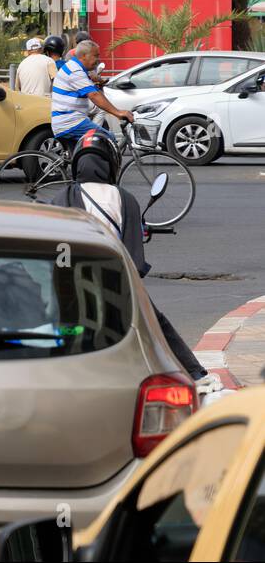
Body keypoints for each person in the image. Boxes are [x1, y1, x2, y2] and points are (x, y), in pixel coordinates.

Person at [50, 130, 221, 396]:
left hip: (68, 282)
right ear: (110, 164)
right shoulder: (124, 198)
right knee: (155, 323)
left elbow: (53, 244)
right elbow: (134, 256)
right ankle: (196, 376)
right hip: (112, 280)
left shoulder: (61, 197)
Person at [50, 38, 133, 144]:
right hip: (71, 123)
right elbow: (94, 95)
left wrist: (99, 80)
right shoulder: (75, 71)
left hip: (68, 121)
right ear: (84, 56)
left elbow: (93, 79)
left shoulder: (75, 67)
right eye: (96, 56)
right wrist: (118, 112)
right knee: (107, 139)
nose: (98, 60)